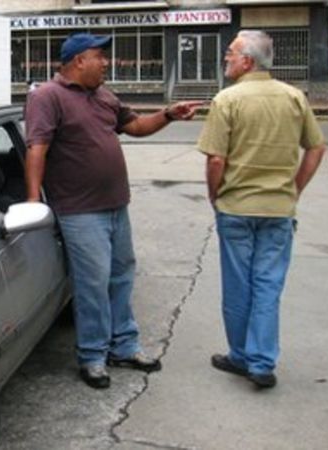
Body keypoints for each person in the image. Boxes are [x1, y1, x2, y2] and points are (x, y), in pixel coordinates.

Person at [24, 32, 202, 389]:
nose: (106, 63)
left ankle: (124, 346)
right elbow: (36, 148)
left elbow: (135, 126)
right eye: (99, 56)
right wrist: (32, 202)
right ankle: (93, 356)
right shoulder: (47, 96)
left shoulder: (104, 95)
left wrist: (168, 114)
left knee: (121, 276)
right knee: (92, 284)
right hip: (78, 210)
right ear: (79, 61)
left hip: (116, 205)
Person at [197, 30, 325, 389]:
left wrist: (215, 196)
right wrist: (294, 188)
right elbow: (316, 148)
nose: (226, 58)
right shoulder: (293, 97)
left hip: (236, 208)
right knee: (268, 285)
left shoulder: (227, 100)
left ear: (247, 61)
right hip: (279, 209)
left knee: (238, 285)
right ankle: (262, 362)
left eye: (231, 53)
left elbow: (216, 159)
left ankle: (240, 356)